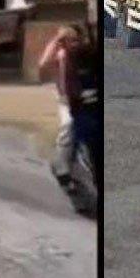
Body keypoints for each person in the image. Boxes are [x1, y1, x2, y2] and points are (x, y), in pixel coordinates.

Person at [39, 23, 100, 192]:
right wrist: (56, 40)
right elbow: (43, 64)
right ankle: (62, 169)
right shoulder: (60, 55)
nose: (71, 43)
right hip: (66, 101)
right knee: (68, 126)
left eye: (74, 39)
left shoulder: (81, 55)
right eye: (67, 40)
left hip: (85, 101)